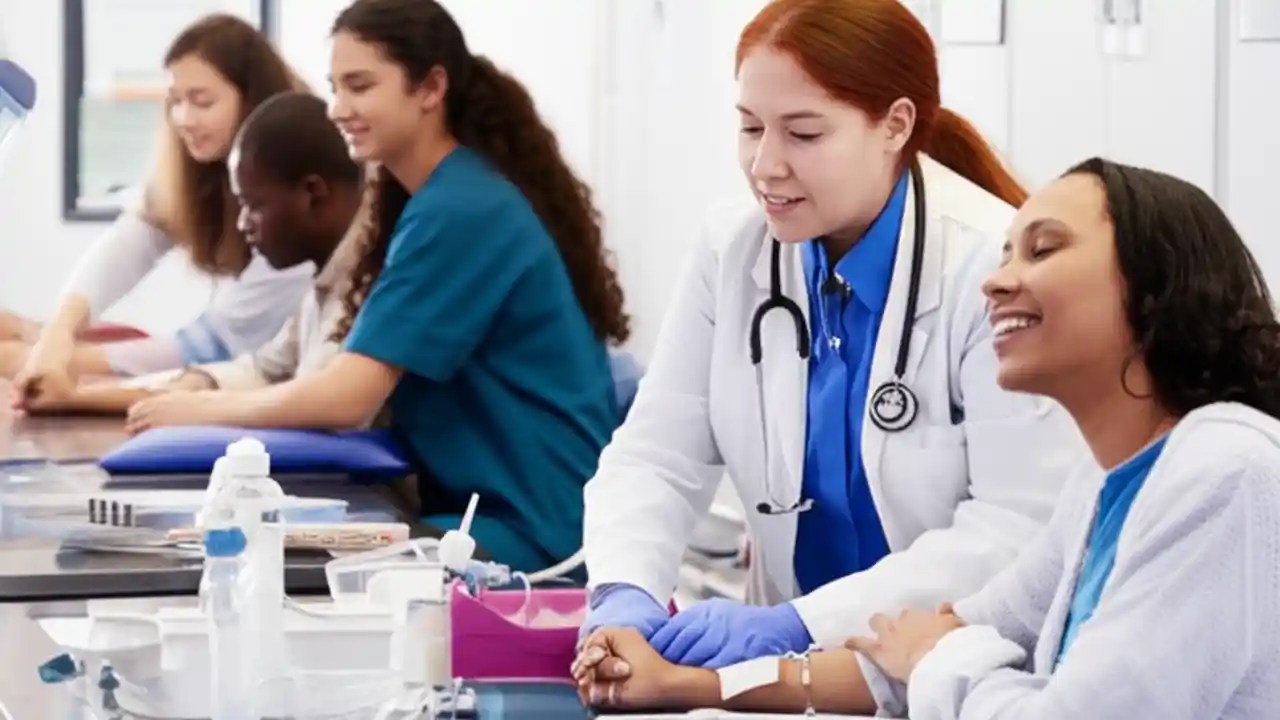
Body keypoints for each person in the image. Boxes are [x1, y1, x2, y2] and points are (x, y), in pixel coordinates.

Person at [573, 158, 1280, 717]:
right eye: (1006, 253)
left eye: (1042, 250)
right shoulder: (1104, 483)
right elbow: (926, 646)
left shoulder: (1223, 473)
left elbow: (1020, 691)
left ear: (1152, 290)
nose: (997, 282)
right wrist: (686, 684)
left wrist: (936, 661)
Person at [580, 0, 1088, 672]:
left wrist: (800, 625)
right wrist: (624, 591)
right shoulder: (733, 249)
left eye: (803, 134)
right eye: (750, 127)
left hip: (951, 674)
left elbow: (1015, 525)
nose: (765, 164)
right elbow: (656, 455)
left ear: (895, 125)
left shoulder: (991, 269)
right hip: (784, 684)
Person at [118, 0, 630, 575]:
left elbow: (348, 395)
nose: (338, 109)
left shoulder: (461, 210)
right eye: (335, 87)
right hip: (480, 517)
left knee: (275, 566)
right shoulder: (431, 201)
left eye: (360, 86)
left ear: (430, 88)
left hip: (528, 535)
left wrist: (203, 410)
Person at [2, 14, 314, 390]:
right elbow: (132, 240)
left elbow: (213, 346)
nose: (184, 118)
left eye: (202, 102)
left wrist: (37, 357)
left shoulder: (297, 202)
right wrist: (58, 332)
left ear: (252, 100)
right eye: (175, 102)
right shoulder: (194, 171)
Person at [19, 92, 366, 420]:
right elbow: (255, 374)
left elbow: (324, 406)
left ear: (312, 193)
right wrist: (77, 399)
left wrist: (202, 410)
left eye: (254, 206)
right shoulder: (319, 286)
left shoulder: (368, 283)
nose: (242, 224)